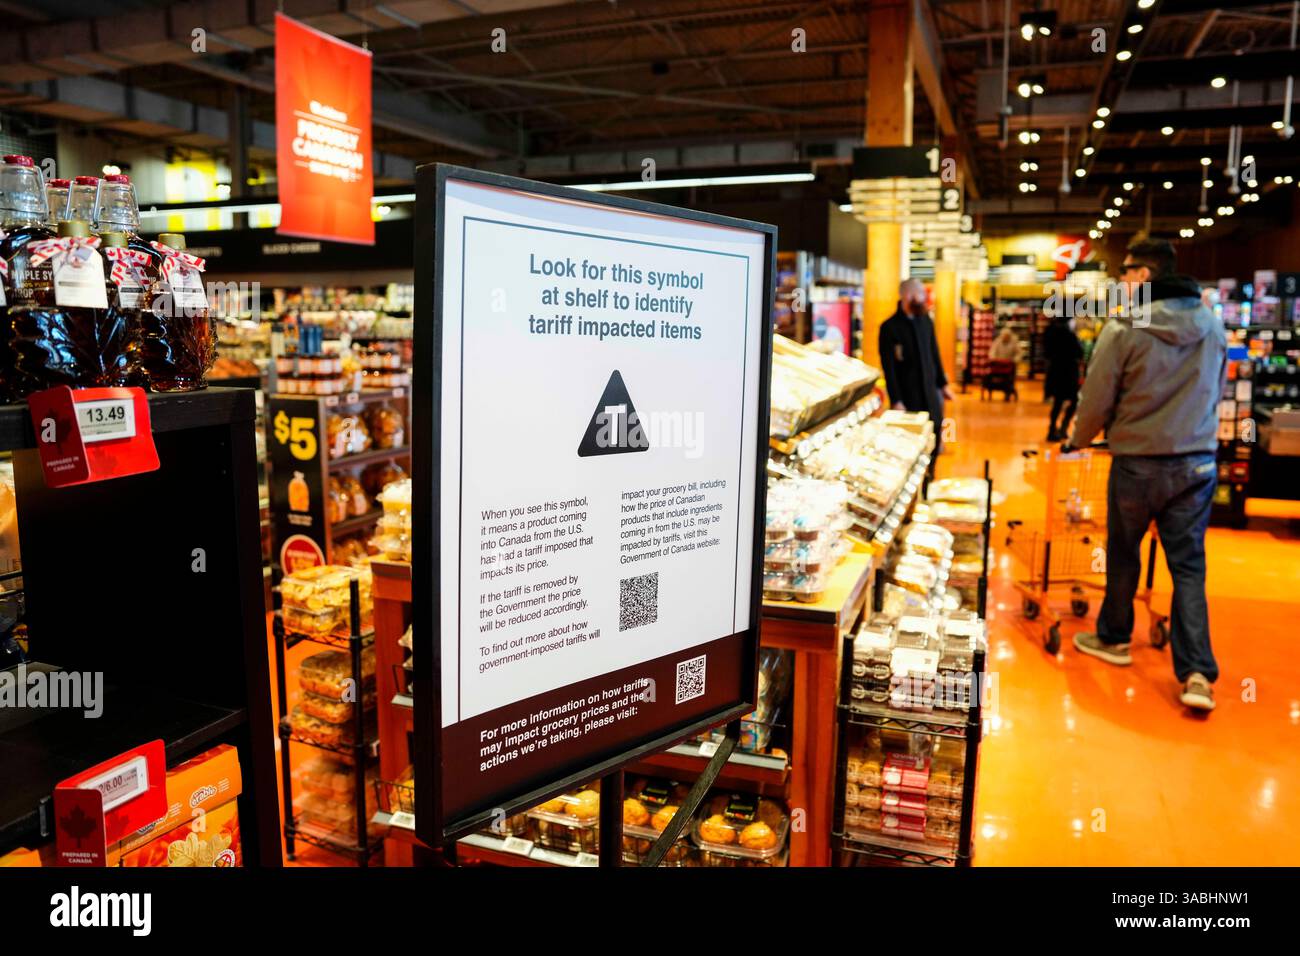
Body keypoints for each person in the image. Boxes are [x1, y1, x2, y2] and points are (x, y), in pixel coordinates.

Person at [1066, 237, 1226, 712]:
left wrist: (1077, 439)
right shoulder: (1212, 326)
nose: (1121, 281)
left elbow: (1097, 397)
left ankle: (1114, 638)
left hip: (1138, 461)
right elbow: (1215, 390)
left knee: (1123, 552)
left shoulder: (1125, 326)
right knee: (1189, 566)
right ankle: (1197, 673)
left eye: (1126, 271)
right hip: (1196, 462)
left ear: (1144, 275)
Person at [879, 278, 954, 450]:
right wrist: (896, 399)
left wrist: (942, 384)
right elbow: (888, 368)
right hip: (908, 397)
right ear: (908, 295)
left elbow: (934, 353)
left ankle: (931, 473)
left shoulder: (926, 321)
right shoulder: (889, 328)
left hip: (930, 393)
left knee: (935, 437)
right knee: (910, 444)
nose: (924, 298)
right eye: (921, 293)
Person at [1043, 314, 1083, 441]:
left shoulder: (1049, 331)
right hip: (1069, 371)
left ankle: (1052, 429)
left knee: (1057, 402)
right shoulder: (1069, 333)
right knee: (1074, 400)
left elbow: (1046, 351)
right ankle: (1063, 428)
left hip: (1055, 370)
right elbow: (1079, 352)